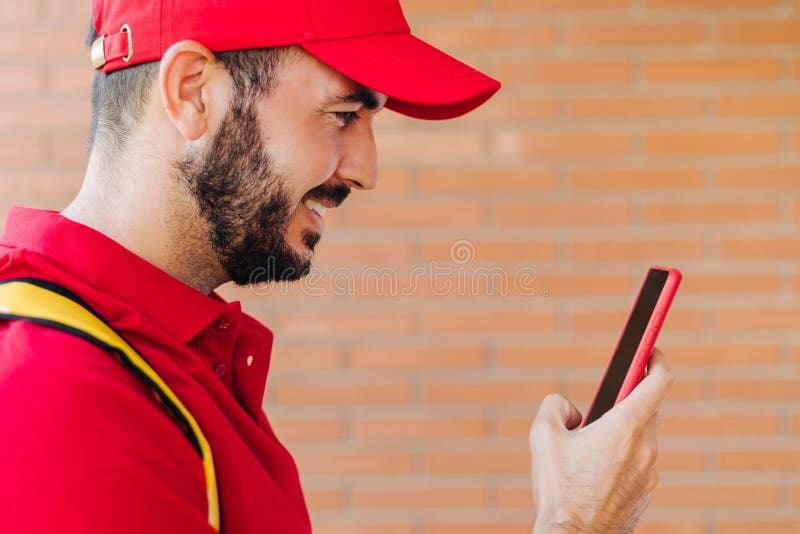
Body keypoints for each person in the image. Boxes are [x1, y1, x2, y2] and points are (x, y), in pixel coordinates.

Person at [0, 1, 673, 533]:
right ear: (193, 93)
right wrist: (576, 523)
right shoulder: (59, 393)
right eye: (343, 113)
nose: (366, 170)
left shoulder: (158, 357)